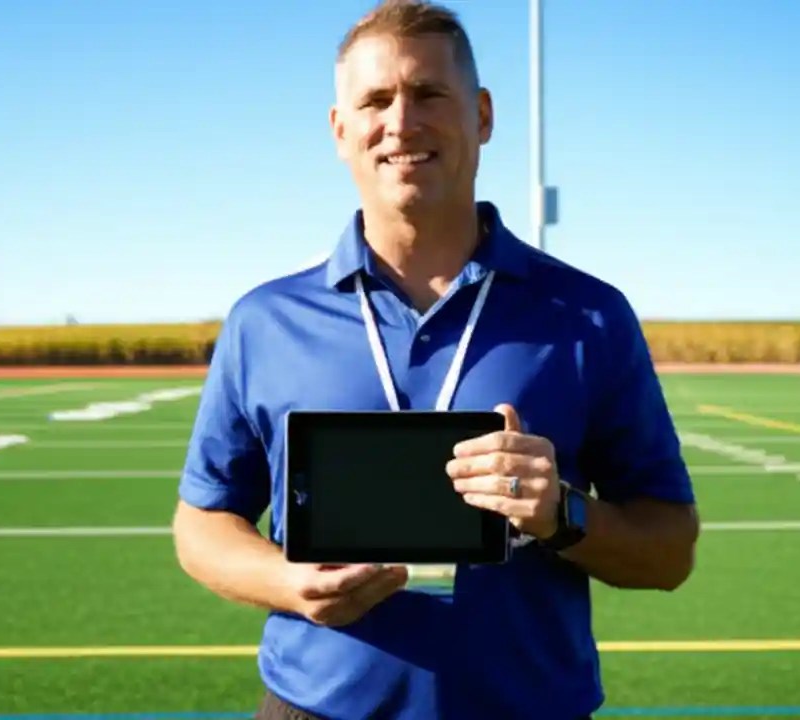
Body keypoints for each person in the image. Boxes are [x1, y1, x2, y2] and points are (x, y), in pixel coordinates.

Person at [171, 1, 700, 718]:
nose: (401, 123)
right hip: (316, 707)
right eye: (375, 101)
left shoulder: (588, 315)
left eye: (428, 95)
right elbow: (202, 525)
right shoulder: (265, 320)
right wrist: (287, 582)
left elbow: (669, 552)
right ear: (340, 130)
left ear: (481, 115)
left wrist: (561, 513)